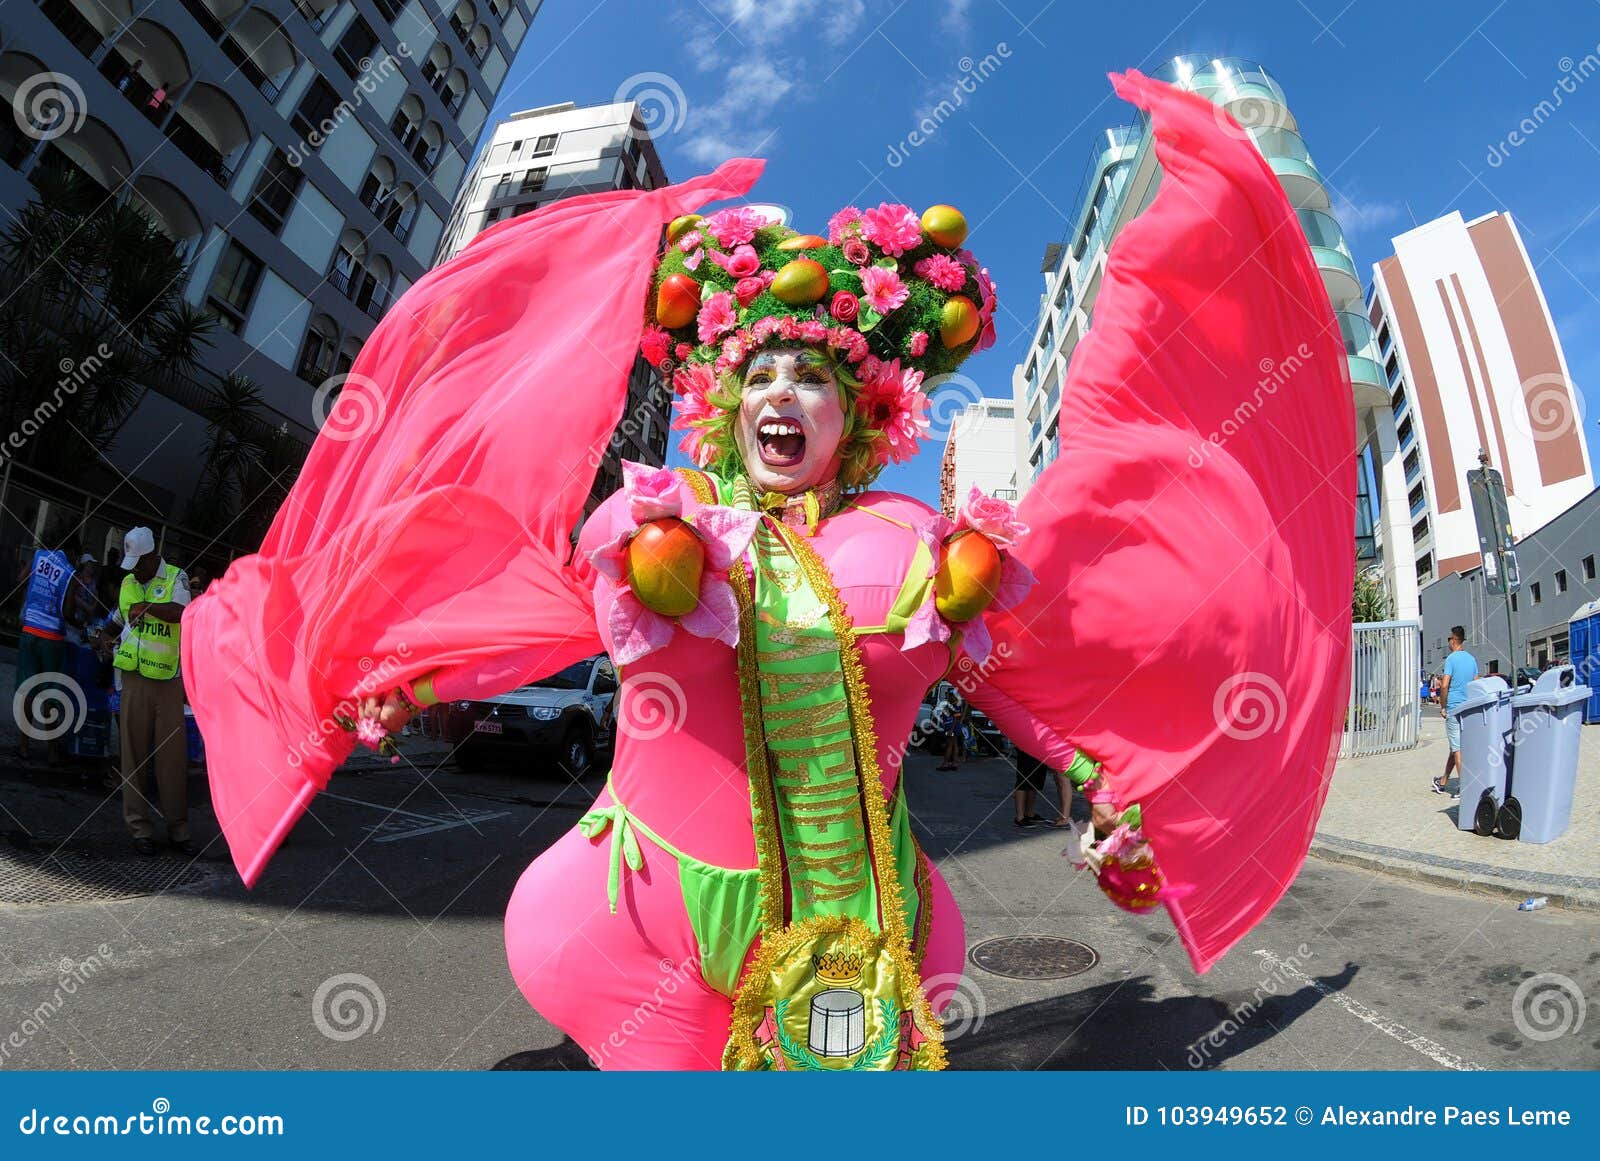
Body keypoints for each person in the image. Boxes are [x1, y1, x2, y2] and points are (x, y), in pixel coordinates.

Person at [183, 74, 1354, 1070]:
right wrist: (405, 671)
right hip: (640, 921)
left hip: (874, 937)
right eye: (765, 380)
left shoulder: (926, 545)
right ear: (728, 410)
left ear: (863, 417)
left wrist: (1120, 802)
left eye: (817, 382)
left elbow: (1043, 686)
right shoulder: (664, 518)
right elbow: (528, 609)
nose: (787, 397)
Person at [114, 526, 195, 855]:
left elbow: (182, 614)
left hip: (168, 683)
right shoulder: (128, 582)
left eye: (138, 562)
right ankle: (139, 829)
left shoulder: (177, 578)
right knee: (132, 756)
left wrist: (146, 608)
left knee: (171, 760)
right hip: (134, 678)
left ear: (152, 557)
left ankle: (179, 829)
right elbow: (125, 614)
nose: (134, 569)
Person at [14, 534, 78, 765]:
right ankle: (51, 751)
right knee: (50, 692)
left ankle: (23, 746)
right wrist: (80, 625)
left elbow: (21, 581)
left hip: (30, 630)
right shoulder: (70, 570)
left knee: (28, 690)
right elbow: (68, 611)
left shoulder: (38, 556)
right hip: (52, 637)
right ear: (71, 552)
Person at [1436, 625, 1478, 796]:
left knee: (1458, 749)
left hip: (1453, 708)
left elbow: (1445, 685)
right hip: (1468, 709)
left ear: (1454, 640)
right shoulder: (1472, 659)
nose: (1448, 643)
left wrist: (1443, 706)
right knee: (1456, 747)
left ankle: (1464, 788)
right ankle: (1443, 781)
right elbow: (1476, 683)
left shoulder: (1451, 660)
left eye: (1449, 639)